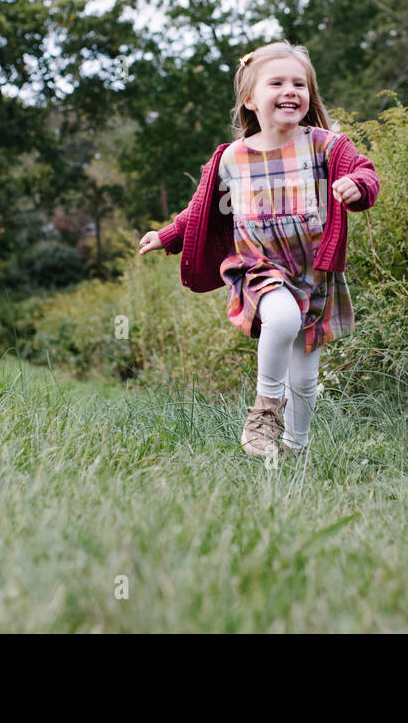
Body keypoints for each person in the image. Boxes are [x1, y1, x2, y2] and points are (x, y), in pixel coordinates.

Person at [137, 41, 381, 460]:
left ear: (310, 94)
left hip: (314, 274)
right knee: (281, 317)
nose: (291, 90)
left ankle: (293, 452)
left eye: (299, 84)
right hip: (258, 265)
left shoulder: (325, 146)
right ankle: (264, 412)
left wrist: (356, 186)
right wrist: (170, 234)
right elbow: (202, 209)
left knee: (304, 378)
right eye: (277, 83)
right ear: (250, 99)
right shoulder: (231, 158)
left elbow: (365, 172)